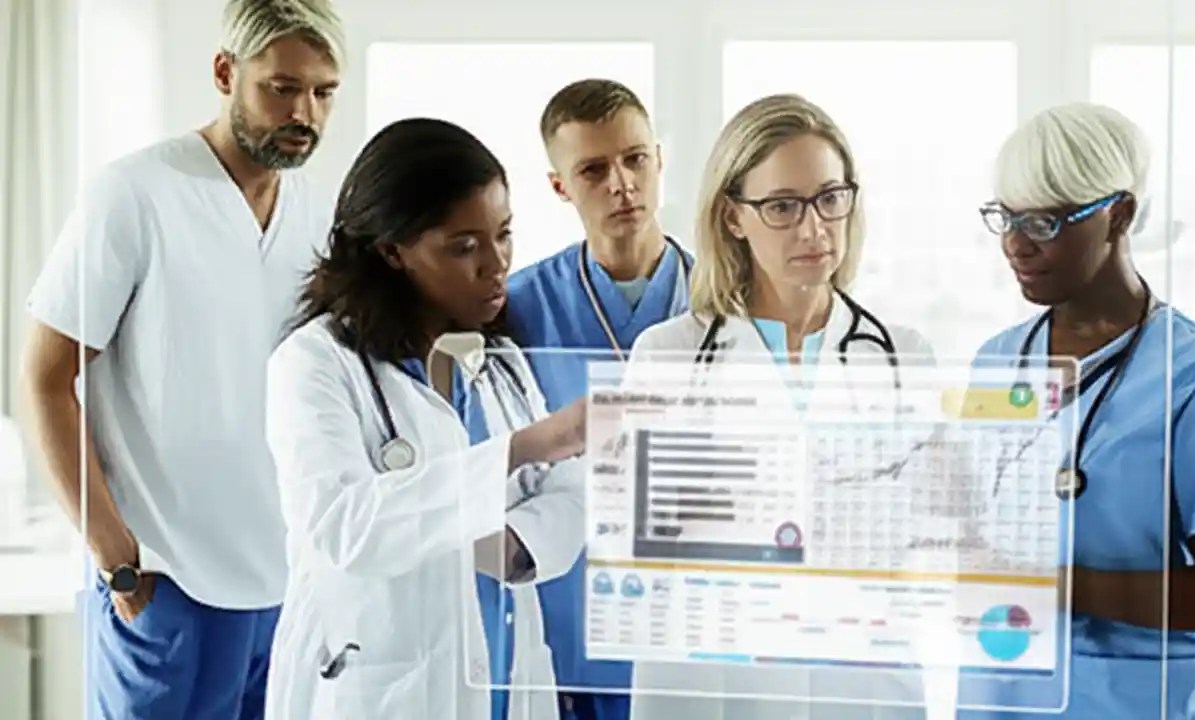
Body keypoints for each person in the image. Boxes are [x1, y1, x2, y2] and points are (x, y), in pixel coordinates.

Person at [20, 1, 344, 717]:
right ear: (225, 73)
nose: (306, 113)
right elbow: (45, 378)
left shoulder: (320, 215)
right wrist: (116, 557)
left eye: (324, 92)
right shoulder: (135, 193)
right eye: (282, 88)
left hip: (284, 581)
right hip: (164, 579)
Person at [961, 102, 1195, 719]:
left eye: (1045, 223)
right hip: (1005, 695)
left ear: (1119, 214)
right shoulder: (995, 362)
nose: (1016, 245)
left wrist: (1057, 587)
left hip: (1144, 701)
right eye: (1005, 218)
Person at [262, 117, 586, 720]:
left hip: (504, 676)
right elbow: (344, 526)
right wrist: (528, 446)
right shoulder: (314, 365)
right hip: (380, 689)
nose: (497, 265)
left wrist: (511, 547)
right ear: (392, 252)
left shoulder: (500, 363)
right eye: (464, 246)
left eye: (504, 234)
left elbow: (570, 491)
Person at [625, 93, 934, 720]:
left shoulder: (903, 356)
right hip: (721, 687)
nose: (815, 228)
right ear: (733, 217)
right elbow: (650, 552)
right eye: (784, 207)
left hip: (862, 686)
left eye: (830, 198)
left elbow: (927, 537)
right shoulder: (669, 356)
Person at [503, 78, 692, 720]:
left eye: (635, 158)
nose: (622, 184)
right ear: (560, 186)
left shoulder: (729, 298)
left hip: (693, 614)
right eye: (593, 169)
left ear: (659, 159)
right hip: (571, 612)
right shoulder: (518, 308)